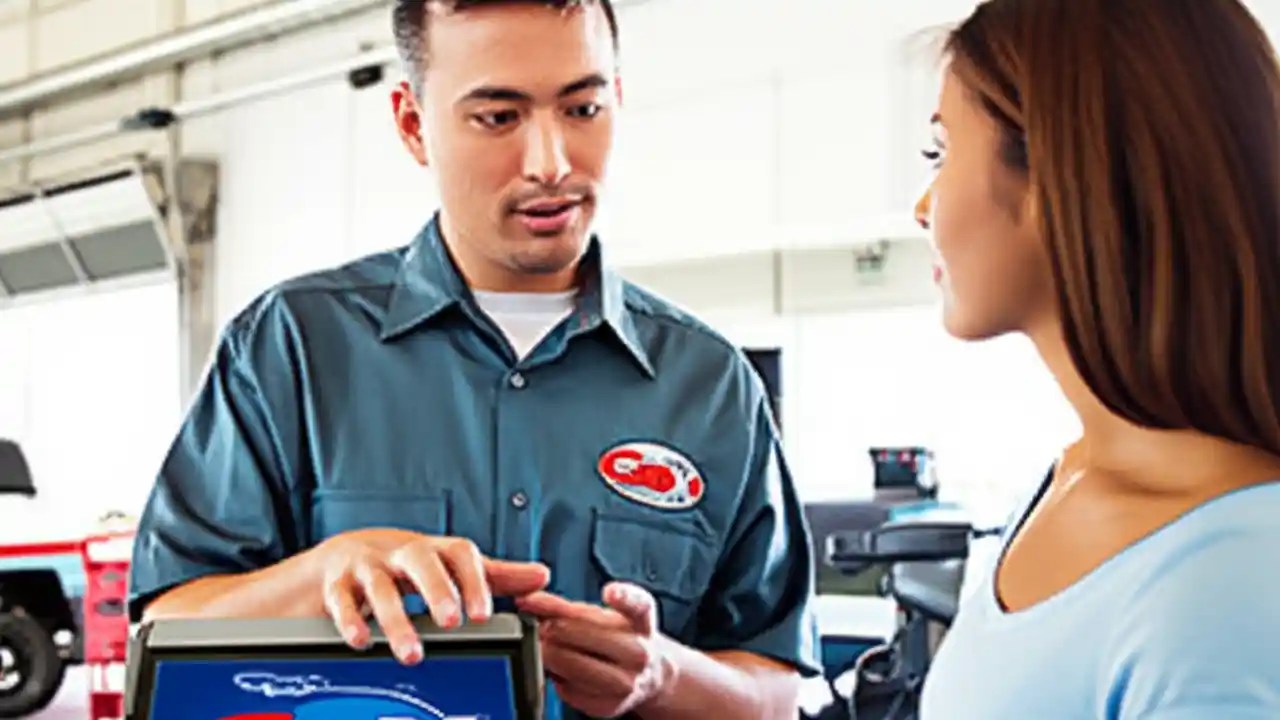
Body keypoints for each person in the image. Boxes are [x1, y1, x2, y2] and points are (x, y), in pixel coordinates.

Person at [127, 1, 820, 718]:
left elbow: (775, 692)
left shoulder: (710, 384)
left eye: (582, 109)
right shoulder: (291, 347)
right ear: (412, 124)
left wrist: (662, 676)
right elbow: (166, 626)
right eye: (498, 117)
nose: (551, 163)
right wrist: (324, 574)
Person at [912, 0, 1280, 716]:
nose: (924, 205)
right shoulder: (1060, 483)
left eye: (941, 154)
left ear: (1056, 175)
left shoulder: (1224, 586)